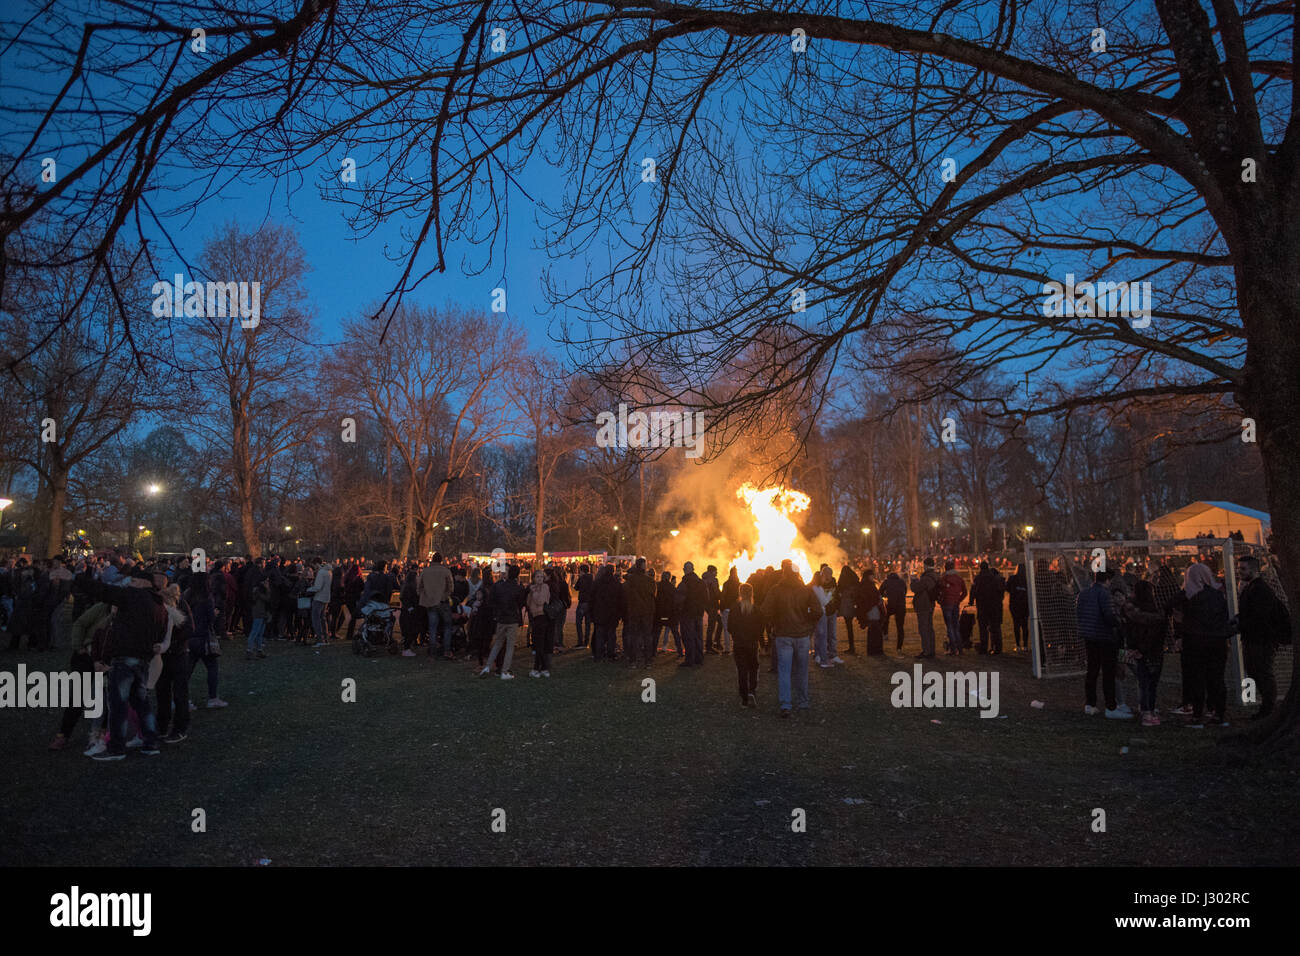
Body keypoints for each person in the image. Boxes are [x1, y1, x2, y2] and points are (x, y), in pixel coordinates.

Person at [91, 569, 167, 760]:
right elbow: (160, 633)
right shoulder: (160, 606)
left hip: (126, 657)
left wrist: (80, 581)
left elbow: (106, 592)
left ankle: (116, 747)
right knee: (141, 702)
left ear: (142, 583)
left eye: (132, 580)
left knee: (118, 704)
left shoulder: (134, 598)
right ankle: (151, 741)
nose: (129, 584)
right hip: (143, 659)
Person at [1176, 562, 1234, 726]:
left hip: (1195, 642)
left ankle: (1197, 714)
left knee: (1197, 678)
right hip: (1217, 641)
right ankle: (1218, 713)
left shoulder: (1187, 595)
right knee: (1216, 678)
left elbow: (1168, 605)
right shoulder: (1217, 595)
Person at [761, 559, 820, 718]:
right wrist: (808, 623)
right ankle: (803, 701)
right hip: (802, 635)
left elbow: (765, 611)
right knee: (802, 670)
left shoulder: (776, 590)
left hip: (783, 635)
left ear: (784, 573)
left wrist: (774, 622)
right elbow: (817, 611)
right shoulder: (806, 590)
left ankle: (786, 704)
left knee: (784, 671)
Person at [1236, 555, 1290, 721]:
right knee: (1252, 671)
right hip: (1252, 638)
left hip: (1262, 639)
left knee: (1262, 672)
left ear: (1254, 570)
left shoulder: (1260, 589)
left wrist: (1240, 624)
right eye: (1238, 568)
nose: (1239, 572)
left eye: (1243, 569)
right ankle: (1254, 700)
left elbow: (1260, 617)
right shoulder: (1251, 588)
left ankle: (1267, 707)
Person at [1077, 570, 1129, 719]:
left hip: (1089, 636)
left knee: (1092, 671)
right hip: (1104, 637)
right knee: (1108, 673)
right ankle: (1111, 707)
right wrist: (1119, 623)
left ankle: (1090, 704)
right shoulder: (1105, 594)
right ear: (1107, 580)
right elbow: (1108, 615)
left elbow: (1079, 612)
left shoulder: (1083, 593)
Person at [1124, 565, 1168, 726]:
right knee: (1151, 683)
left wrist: (1134, 648)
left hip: (1140, 651)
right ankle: (1148, 710)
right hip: (1154, 652)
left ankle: (1146, 709)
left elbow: (1130, 632)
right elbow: (1159, 634)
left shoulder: (1131, 613)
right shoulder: (1158, 614)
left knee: (1144, 682)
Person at [157, 581, 195, 743]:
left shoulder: (179, 604)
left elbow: (189, 628)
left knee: (179, 693)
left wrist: (172, 644)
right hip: (163, 654)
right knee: (162, 692)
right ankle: (163, 726)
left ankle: (179, 727)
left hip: (177, 653)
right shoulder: (157, 604)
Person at [187, 570, 226, 709]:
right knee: (212, 667)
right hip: (203, 637)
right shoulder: (207, 598)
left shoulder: (187, 595)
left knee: (187, 670)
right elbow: (210, 618)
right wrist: (214, 613)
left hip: (189, 636)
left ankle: (182, 698)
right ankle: (212, 697)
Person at [481, 564, 525, 679]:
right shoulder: (517, 587)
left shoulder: (498, 586)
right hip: (512, 619)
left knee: (498, 643)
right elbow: (521, 602)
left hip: (501, 618)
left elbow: (491, 601)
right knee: (509, 646)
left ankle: (487, 666)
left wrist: (497, 612)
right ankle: (505, 671)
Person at [729, 583, 765, 707]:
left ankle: (744, 697)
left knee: (742, 670)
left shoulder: (734, 609)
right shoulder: (756, 609)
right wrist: (761, 642)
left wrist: (736, 636)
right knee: (753, 668)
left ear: (740, 593)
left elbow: (730, 627)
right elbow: (761, 628)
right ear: (752, 593)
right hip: (752, 644)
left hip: (739, 644)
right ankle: (752, 691)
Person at [418, 552, 455, 659]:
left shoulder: (425, 571)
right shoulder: (446, 571)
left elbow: (420, 586)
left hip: (430, 602)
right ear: (441, 560)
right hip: (443, 601)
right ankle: (446, 650)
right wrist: (445, 595)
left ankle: (433, 652)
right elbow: (451, 587)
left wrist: (424, 596)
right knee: (447, 626)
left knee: (432, 628)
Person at [623, 557, 657, 668]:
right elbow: (654, 596)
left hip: (634, 611)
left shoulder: (630, 581)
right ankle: (648, 661)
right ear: (643, 566)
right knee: (647, 637)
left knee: (634, 636)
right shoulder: (650, 581)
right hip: (646, 612)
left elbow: (626, 595)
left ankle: (633, 661)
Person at [589, 564, 625, 662]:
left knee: (600, 635)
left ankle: (598, 655)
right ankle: (611, 654)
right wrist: (620, 614)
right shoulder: (617, 584)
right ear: (613, 571)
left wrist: (591, 613)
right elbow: (620, 601)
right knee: (611, 635)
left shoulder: (597, 583)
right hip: (612, 614)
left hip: (599, 613)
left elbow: (591, 599)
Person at [968, 560, 1006, 655]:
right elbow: (1000, 590)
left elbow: (973, 591)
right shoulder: (994, 578)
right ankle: (998, 648)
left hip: (982, 606)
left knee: (983, 628)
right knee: (995, 627)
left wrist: (971, 601)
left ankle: (984, 647)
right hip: (994, 606)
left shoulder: (978, 578)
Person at [676, 561, 708, 666]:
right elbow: (706, 598)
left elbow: (679, 600)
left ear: (685, 570)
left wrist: (679, 610)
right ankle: (699, 659)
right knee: (698, 637)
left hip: (687, 614)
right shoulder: (701, 583)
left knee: (688, 637)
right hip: (698, 614)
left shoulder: (684, 583)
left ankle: (690, 660)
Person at [525, 569, 552, 677]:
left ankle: (539, 668)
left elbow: (540, 601)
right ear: (534, 578)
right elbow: (528, 602)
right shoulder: (533, 588)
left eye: (541, 576)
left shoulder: (545, 587)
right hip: (534, 617)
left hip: (542, 617)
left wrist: (534, 592)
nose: (540, 579)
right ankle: (543, 668)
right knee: (538, 643)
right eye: (537, 577)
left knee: (539, 644)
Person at [911, 558, 940, 659]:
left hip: (924, 604)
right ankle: (931, 649)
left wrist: (914, 580)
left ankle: (927, 651)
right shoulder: (935, 576)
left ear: (926, 565)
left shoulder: (927, 577)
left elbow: (915, 588)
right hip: (930, 604)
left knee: (924, 628)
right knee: (929, 627)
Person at [811, 566, 840, 668]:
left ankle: (824, 657)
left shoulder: (815, 587)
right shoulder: (817, 588)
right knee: (821, 636)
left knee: (823, 635)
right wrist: (830, 594)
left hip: (825, 613)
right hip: (821, 613)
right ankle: (822, 659)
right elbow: (825, 601)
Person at [937, 559, 967, 655]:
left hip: (947, 603)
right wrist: (959, 599)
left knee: (949, 626)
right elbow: (965, 592)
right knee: (956, 626)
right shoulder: (959, 578)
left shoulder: (944, 578)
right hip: (955, 604)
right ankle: (960, 648)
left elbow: (939, 589)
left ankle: (953, 649)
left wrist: (940, 599)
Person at [855, 568, 886, 656]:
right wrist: (877, 601)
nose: (873, 576)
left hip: (872, 609)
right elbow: (869, 598)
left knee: (874, 630)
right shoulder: (867, 586)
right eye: (872, 575)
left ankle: (873, 650)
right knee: (875, 630)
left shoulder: (866, 585)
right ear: (868, 576)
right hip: (872, 610)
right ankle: (875, 650)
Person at [654, 570, 681, 656]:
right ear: (669, 578)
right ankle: (680, 651)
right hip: (670, 615)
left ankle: (652, 651)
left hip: (659, 614)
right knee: (675, 633)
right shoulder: (672, 588)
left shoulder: (657, 586)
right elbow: (676, 602)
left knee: (656, 633)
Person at [882, 564, 907, 651]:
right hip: (901, 605)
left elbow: (880, 592)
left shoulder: (886, 581)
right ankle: (899, 647)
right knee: (900, 627)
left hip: (890, 604)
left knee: (885, 618)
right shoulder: (902, 581)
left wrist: (886, 594)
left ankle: (885, 634)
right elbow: (905, 591)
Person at [309, 559, 333, 646]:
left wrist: (309, 589)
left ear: (316, 564)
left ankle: (320, 639)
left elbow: (318, 587)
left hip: (319, 597)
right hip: (326, 597)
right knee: (323, 618)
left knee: (316, 618)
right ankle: (325, 638)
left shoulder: (321, 572)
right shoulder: (329, 572)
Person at [836, 564, 859, 654]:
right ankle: (852, 646)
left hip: (845, 606)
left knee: (849, 626)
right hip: (853, 606)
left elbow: (838, 593)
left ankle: (852, 647)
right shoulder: (855, 582)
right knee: (849, 627)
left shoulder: (842, 583)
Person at [1008, 563, 1030, 651]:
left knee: (1016, 625)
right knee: (1024, 625)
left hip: (1015, 605)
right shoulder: (1027, 579)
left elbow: (1007, 588)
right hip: (1025, 605)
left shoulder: (1012, 578)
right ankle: (1025, 645)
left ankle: (1018, 645)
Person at [719, 567, 740, 655]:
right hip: (736, 610)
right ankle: (737, 648)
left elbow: (722, 597)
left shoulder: (726, 584)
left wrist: (721, 608)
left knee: (726, 630)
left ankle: (727, 648)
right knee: (737, 629)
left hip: (727, 609)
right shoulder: (739, 584)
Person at [573, 564, 594, 648]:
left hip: (582, 602)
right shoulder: (592, 578)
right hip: (589, 602)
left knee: (578, 622)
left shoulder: (581, 578)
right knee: (587, 623)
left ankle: (580, 641)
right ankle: (586, 641)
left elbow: (576, 588)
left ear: (582, 570)